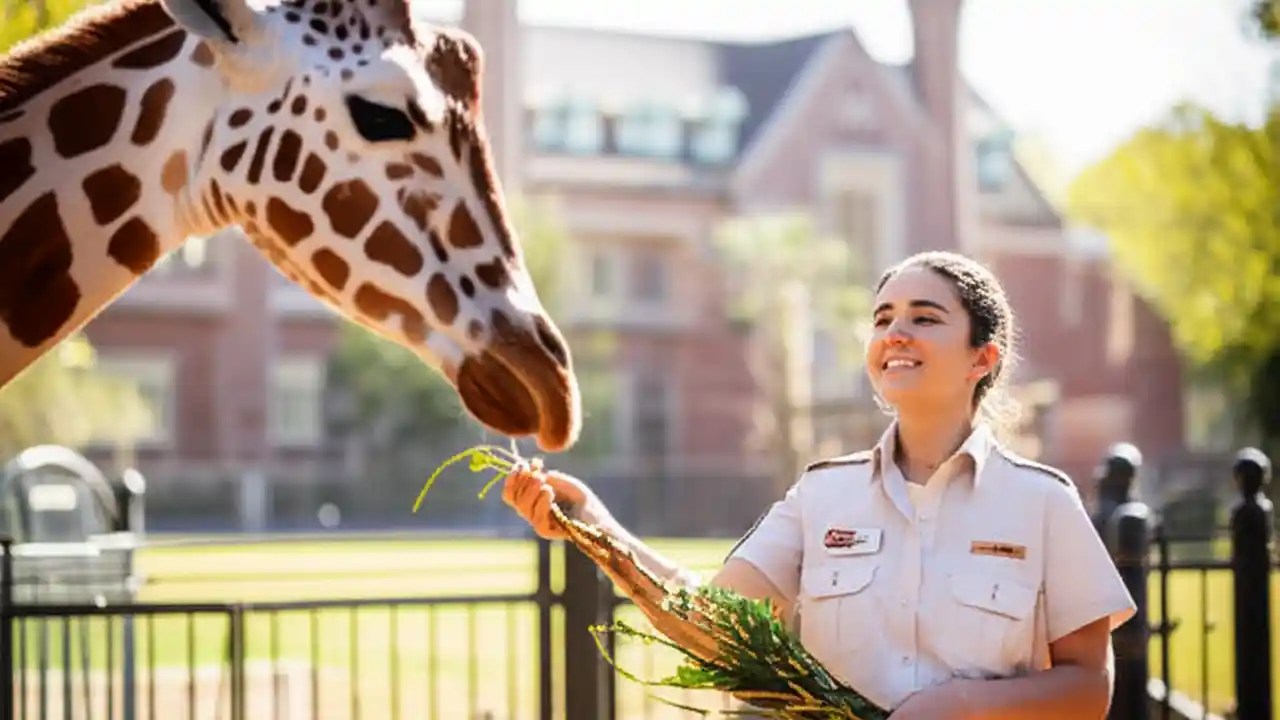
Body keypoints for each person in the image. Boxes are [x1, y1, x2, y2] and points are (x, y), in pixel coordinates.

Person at [501, 250, 1136, 719]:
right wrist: (596, 527)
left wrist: (960, 705)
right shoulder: (821, 497)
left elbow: (1088, 689)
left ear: (982, 358)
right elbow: (713, 625)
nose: (895, 333)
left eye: (925, 317)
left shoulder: (1042, 503)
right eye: (884, 317)